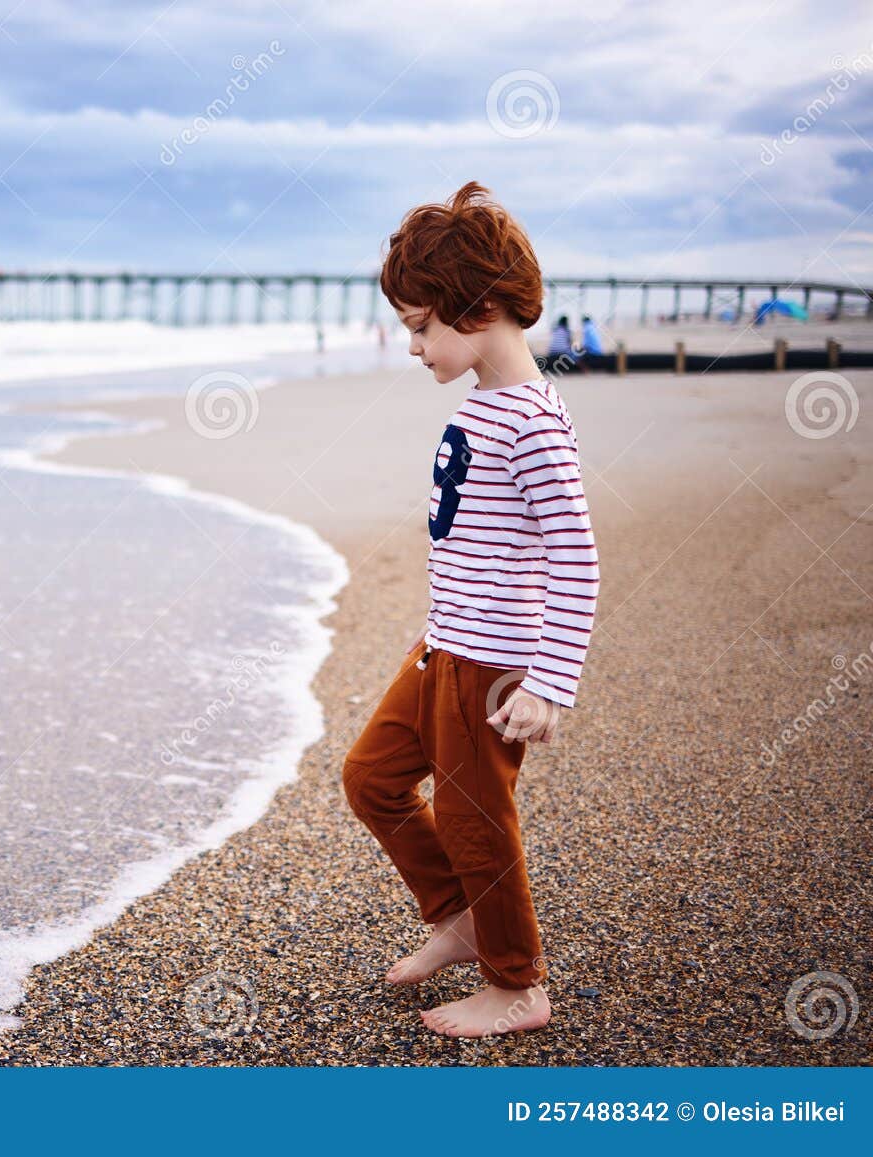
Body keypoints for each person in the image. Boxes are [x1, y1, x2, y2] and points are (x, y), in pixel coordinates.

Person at [344, 180, 601, 1038]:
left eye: (421, 325)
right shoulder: (484, 405)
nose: (411, 345)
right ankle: (455, 915)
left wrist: (550, 685)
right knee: (371, 779)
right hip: (442, 645)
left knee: (473, 816)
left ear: (480, 307)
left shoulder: (532, 422)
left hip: (491, 662)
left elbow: (576, 553)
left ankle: (516, 982)